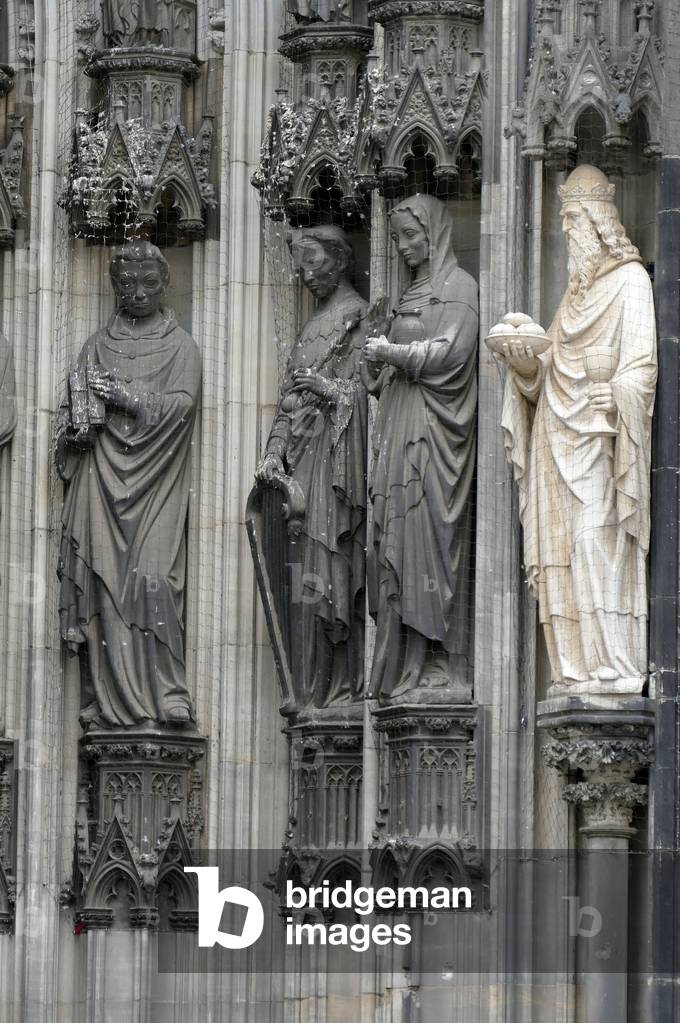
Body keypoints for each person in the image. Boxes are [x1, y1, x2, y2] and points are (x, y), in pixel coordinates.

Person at [499, 165, 657, 695]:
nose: (566, 230)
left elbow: (642, 368)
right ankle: (573, 669)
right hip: (554, 440)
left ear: (597, 221)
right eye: (563, 220)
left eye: (571, 219)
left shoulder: (630, 282)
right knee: (555, 555)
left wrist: (619, 393)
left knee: (596, 542)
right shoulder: (572, 298)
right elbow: (547, 374)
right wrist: (524, 365)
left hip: (597, 440)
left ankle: (614, 662)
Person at [57, 241, 201, 729]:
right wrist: (75, 431)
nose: (137, 292)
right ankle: (108, 693)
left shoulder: (181, 346)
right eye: (126, 284)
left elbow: (183, 406)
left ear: (165, 284)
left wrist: (127, 395)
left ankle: (165, 690)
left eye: (148, 283)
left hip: (158, 480)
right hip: (101, 481)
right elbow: (72, 411)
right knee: (102, 585)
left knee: (156, 581)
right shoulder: (97, 345)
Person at [364, 194, 478, 701]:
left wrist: (392, 351)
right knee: (395, 542)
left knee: (431, 539)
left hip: (436, 441)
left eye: (411, 235)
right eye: (396, 239)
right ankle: (401, 662)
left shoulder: (459, 289)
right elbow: (376, 378)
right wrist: (374, 357)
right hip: (399, 433)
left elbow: (450, 354)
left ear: (433, 230)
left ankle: (436, 659)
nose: (405, 247)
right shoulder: (407, 295)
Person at [255, 225, 368, 713]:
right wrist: (273, 451)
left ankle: (339, 685)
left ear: (340, 259)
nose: (303, 275)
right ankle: (313, 686)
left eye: (311, 262)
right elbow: (287, 403)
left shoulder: (360, 318)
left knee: (331, 574)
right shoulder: (310, 327)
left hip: (334, 466)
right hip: (301, 470)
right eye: (298, 267)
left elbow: (369, 398)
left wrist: (329, 390)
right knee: (305, 581)